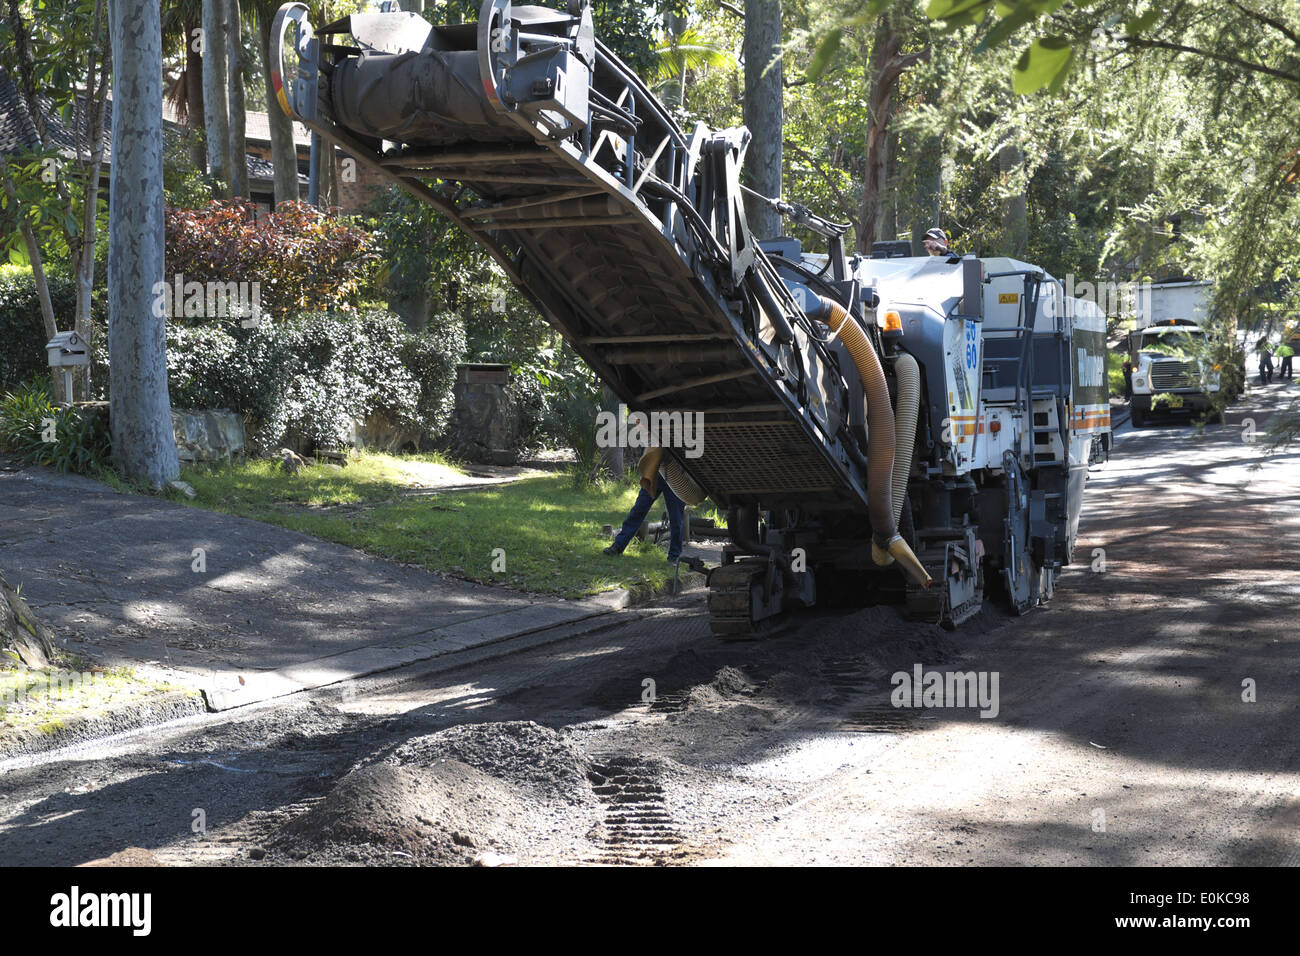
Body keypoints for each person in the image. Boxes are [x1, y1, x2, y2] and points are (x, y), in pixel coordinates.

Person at [604, 446, 686, 564]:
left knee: (676, 518)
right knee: (638, 510)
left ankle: (674, 556)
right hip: (654, 473)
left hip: (676, 476)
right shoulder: (652, 429)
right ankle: (618, 546)